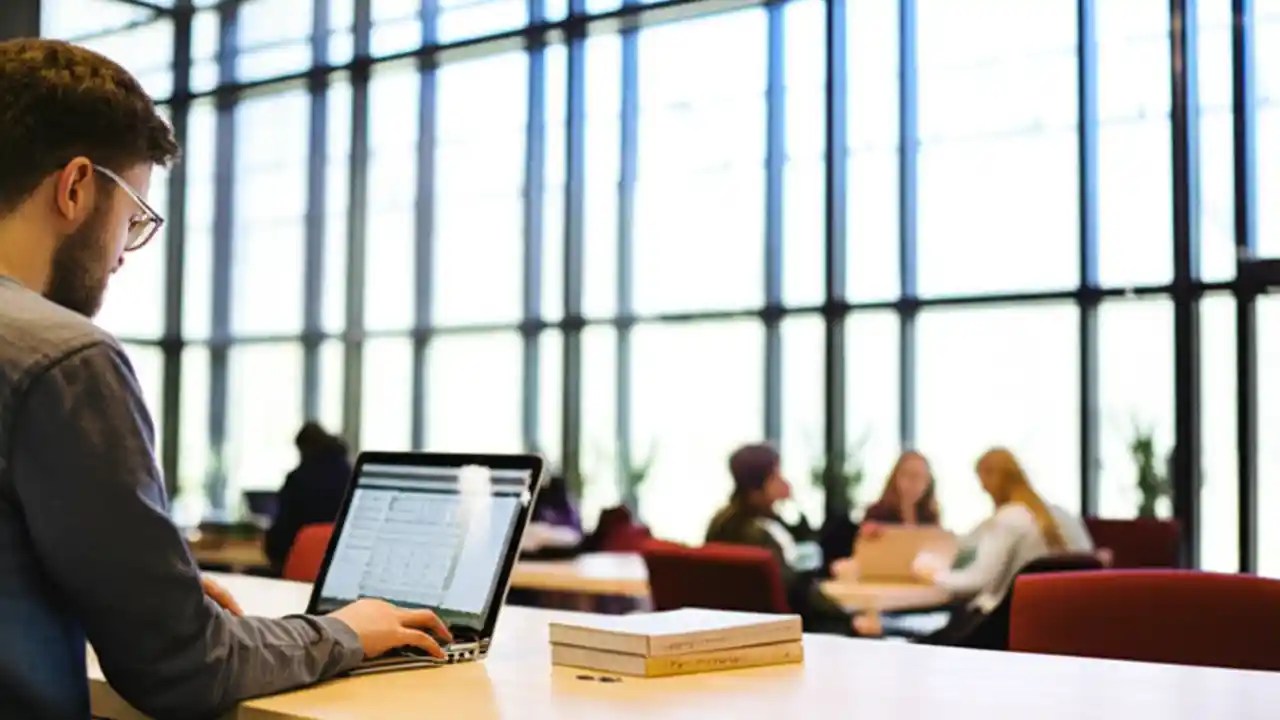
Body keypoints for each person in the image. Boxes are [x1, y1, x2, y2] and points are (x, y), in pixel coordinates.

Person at [0, 39, 450, 720]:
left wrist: (137, 589)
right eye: (134, 220)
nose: (123, 255)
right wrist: (345, 632)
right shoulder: (64, 357)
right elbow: (182, 669)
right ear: (76, 188)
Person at [913, 447, 1093, 646]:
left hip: (998, 630)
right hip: (1059, 629)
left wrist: (934, 575)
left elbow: (977, 581)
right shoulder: (1067, 517)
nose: (983, 490)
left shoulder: (1010, 519)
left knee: (916, 645)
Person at [706, 444, 861, 635]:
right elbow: (797, 590)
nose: (784, 482)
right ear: (760, 483)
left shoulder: (721, 522)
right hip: (789, 630)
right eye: (777, 475)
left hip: (733, 627)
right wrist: (850, 619)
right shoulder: (763, 532)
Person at [264, 423, 353, 572]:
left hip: (299, 560)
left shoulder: (299, 479)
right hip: (342, 561)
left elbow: (283, 528)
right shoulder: (348, 472)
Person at [863, 450, 941, 527]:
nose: (914, 482)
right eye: (908, 474)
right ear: (895, 477)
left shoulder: (930, 517)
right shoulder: (877, 515)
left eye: (920, 477)